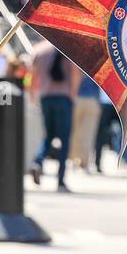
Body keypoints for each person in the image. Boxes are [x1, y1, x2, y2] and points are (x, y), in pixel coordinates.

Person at [28, 40, 81, 191]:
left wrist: (33, 94)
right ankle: (60, 179)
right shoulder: (68, 48)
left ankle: (38, 162)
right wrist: (73, 94)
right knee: (64, 139)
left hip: (46, 97)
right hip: (64, 98)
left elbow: (32, 75)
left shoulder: (38, 50)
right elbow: (75, 73)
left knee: (48, 136)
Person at [68, 76, 102, 176]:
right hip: (92, 99)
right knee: (88, 134)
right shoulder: (99, 62)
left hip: (76, 98)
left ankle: (73, 160)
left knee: (74, 132)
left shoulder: (77, 61)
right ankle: (84, 163)